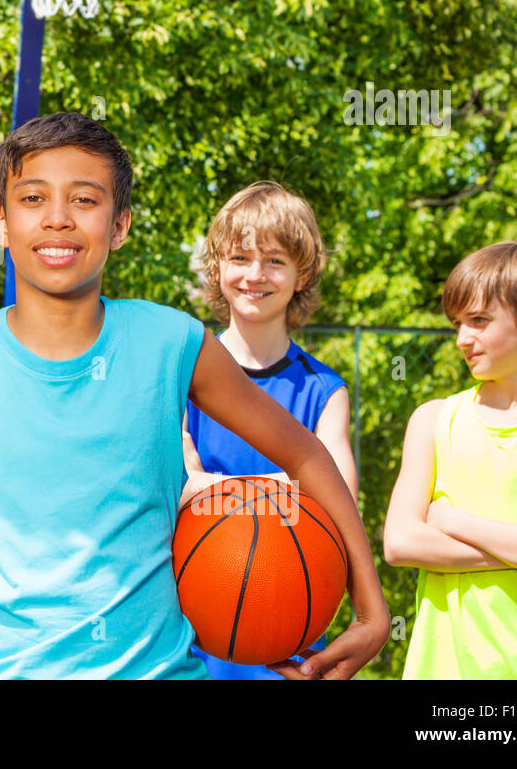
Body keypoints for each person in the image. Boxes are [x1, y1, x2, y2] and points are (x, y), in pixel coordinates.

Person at [0, 112, 389, 679]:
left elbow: (306, 454)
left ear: (120, 225)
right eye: (33, 198)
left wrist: (372, 611)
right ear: (0, 222)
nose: (58, 219)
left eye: (85, 200)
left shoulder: (171, 342)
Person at [384, 241, 517, 679]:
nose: (463, 338)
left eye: (479, 321)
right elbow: (400, 542)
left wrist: (451, 520)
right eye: (458, 323)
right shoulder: (432, 420)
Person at [183, 181, 358, 678]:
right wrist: (290, 489)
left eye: (275, 261)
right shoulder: (183, 374)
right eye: (240, 258)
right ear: (218, 268)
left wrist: (215, 495)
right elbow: (177, 487)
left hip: (292, 629)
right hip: (193, 633)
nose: (255, 275)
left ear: (301, 274)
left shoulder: (324, 390)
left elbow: (337, 499)